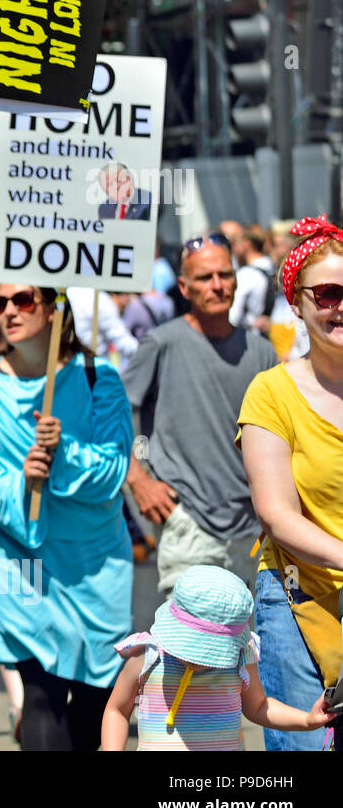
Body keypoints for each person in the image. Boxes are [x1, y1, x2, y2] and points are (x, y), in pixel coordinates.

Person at [0, 284, 134, 751]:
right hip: (17, 565)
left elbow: (115, 471)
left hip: (93, 567)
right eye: (0, 303)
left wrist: (65, 454)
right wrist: (23, 483)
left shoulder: (101, 377)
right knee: (42, 695)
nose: (10, 311)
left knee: (97, 704)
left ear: (56, 308)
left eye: (25, 300)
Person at [122, 232, 277, 594]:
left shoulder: (261, 352)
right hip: (188, 522)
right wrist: (139, 481)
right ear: (184, 286)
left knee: (248, 647)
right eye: (205, 278)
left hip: (253, 530)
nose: (218, 285)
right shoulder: (161, 343)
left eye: (225, 275)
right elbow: (108, 415)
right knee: (189, 647)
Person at [239, 215, 343, 750]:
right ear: (298, 303)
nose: (341, 306)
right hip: (299, 597)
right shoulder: (271, 391)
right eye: (327, 294)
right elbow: (278, 516)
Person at [102, 565, 335, 750]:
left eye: (209, 652)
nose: (198, 660)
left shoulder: (241, 655)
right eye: (192, 648)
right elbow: (117, 710)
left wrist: (307, 720)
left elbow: (259, 706)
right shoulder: (149, 655)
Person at [227, 222, 275, 334]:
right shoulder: (272, 267)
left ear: (246, 245)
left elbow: (233, 318)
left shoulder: (245, 274)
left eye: (236, 244)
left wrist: (250, 321)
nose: (233, 249)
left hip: (250, 337)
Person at [67, 285, 138, 361]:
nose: (130, 301)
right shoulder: (104, 303)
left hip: (72, 357)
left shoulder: (76, 291)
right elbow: (123, 343)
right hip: (91, 362)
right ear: (119, 295)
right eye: (128, 297)